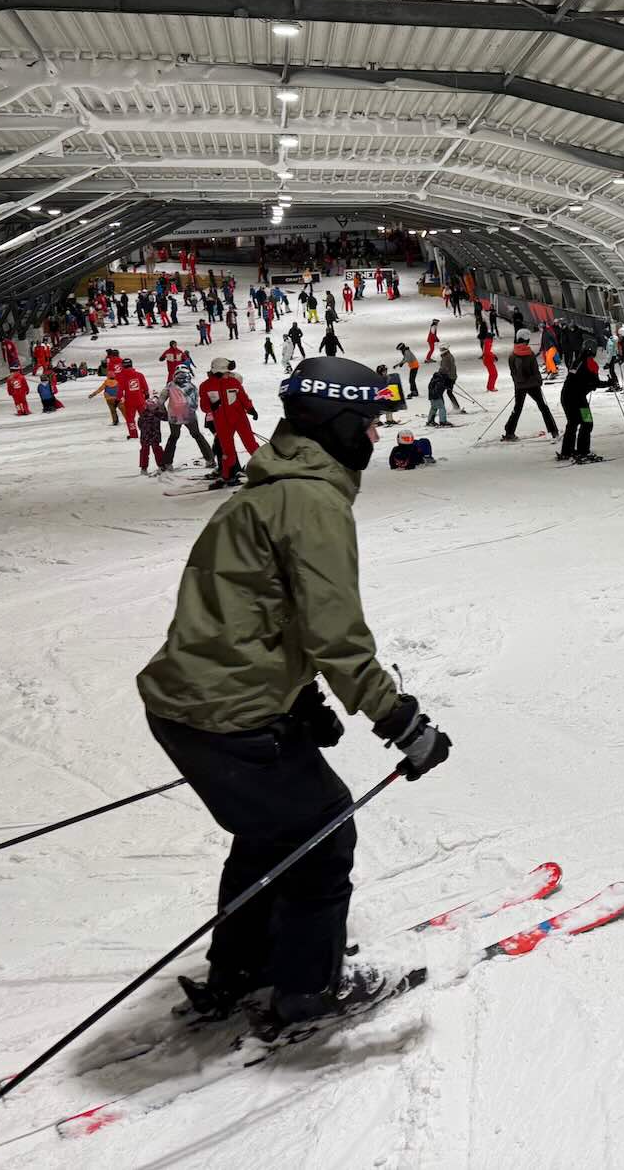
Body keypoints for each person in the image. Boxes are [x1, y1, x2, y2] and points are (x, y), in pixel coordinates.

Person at [138, 355, 448, 1035]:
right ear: (337, 422)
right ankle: (308, 990)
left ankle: (245, 964)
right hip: (226, 712)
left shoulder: (268, 493)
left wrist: (299, 699)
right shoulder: (311, 503)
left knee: (271, 833)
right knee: (323, 831)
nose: (375, 437)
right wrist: (399, 720)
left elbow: (252, 613)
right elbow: (335, 633)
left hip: (191, 705)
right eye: (368, 423)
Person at [199, 357, 261, 483]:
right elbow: (204, 407)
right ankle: (227, 475)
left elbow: (243, 397)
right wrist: (211, 406)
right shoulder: (205, 386)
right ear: (219, 372)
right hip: (222, 422)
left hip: (240, 419)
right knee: (227, 451)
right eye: (227, 372)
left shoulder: (233, 382)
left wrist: (250, 409)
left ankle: (266, 468)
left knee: (251, 445)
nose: (229, 374)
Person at [501, 333, 558, 442]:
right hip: (533, 385)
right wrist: (539, 381)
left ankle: (509, 432)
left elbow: (513, 373)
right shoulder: (530, 354)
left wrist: (518, 384)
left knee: (517, 408)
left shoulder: (512, 355)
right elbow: (535, 370)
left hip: (520, 386)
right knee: (543, 407)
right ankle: (553, 431)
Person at [556, 341, 606, 463]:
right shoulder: (590, 363)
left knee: (572, 423)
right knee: (587, 422)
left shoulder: (577, 361)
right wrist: (609, 383)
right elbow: (594, 382)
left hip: (566, 396)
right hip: (578, 398)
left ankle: (567, 451)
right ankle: (583, 451)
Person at [164, 363, 217, 473]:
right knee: (197, 435)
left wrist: (164, 412)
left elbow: (160, 401)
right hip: (189, 415)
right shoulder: (192, 387)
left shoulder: (170, 386)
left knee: (173, 437)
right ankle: (210, 459)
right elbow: (195, 403)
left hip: (174, 416)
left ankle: (167, 463)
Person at [118, 363, 152, 440]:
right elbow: (145, 386)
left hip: (129, 402)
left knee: (130, 419)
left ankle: (133, 435)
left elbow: (120, 390)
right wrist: (146, 395)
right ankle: (147, 432)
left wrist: (118, 399)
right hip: (140, 400)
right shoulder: (139, 375)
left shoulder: (122, 377)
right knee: (144, 417)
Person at [138, 393, 169, 474]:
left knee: (150, 451)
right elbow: (166, 417)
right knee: (150, 451)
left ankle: (145, 468)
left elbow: (139, 424)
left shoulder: (144, 413)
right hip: (152, 436)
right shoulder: (156, 414)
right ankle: (158, 466)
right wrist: (163, 407)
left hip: (148, 436)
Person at [426, 345, 457, 427]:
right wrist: (446, 384)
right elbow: (439, 389)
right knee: (441, 407)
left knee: (434, 407)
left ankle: (430, 421)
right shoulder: (440, 381)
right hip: (436, 396)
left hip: (432, 396)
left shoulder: (435, 379)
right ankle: (443, 421)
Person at [480, 327, 499, 392]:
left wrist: (493, 356)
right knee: (494, 374)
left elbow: (486, 352)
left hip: (488, 360)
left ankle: (490, 387)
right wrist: (494, 356)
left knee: (493, 374)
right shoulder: (488, 342)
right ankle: (491, 387)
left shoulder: (487, 342)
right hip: (488, 361)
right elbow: (486, 352)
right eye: (492, 337)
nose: (493, 338)